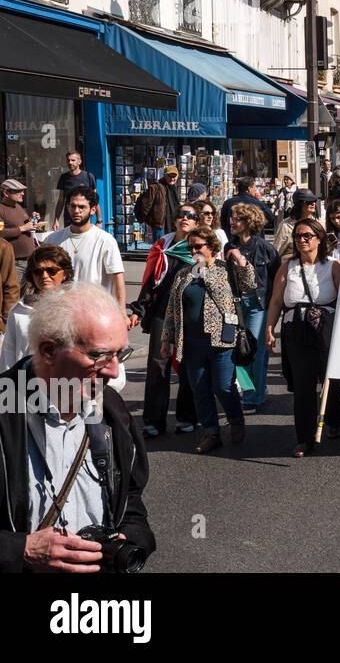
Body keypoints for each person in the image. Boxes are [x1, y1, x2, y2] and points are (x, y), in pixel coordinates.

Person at [0, 282, 155, 573]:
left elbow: (131, 499)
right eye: (99, 355)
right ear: (48, 351)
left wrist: (133, 538)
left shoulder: (113, 411)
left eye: (119, 354)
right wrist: (22, 550)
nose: (114, 371)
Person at [161, 225, 257, 454]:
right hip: (192, 342)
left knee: (223, 387)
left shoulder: (225, 270)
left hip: (222, 340)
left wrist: (239, 260)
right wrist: (167, 339)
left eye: (199, 247)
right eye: (191, 247)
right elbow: (173, 309)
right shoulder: (183, 274)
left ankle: (235, 419)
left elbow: (250, 285)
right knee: (200, 389)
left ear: (212, 247)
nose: (194, 251)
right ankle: (211, 432)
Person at [263, 218, 340, 456]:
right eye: (298, 236)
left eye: (307, 235)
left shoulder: (333, 266)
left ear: (319, 238)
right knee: (302, 387)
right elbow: (277, 300)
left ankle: (335, 418)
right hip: (296, 331)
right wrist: (269, 328)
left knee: (333, 382)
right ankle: (304, 438)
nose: (301, 240)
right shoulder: (287, 267)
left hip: (325, 331)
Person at [126, 205, 199, 437]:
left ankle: (187, 417)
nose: (184, 219)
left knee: (187, 364)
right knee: (158, 363)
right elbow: (150, 282)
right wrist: (139, 309)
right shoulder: (162, 246)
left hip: (189, 313)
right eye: (180, 215)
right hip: (162, 312)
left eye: (190, 216)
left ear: (196, 223)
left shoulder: (200, 247)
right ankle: (154, 421)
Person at [226, 203, 280, 412]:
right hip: (235, 304)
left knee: (256, 350)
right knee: (237, 350)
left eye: (237, 219)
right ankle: (251, 391)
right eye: (232, 218)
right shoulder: (229, 247)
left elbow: (277, 279)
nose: (232, 222)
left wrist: (275, 313)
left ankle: (255, 396)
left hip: (258, 304)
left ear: (249, 223)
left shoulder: (265, 248)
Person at [46, 188, 125, 311]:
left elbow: (117, 277)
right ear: (67, 207)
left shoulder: (106, 240)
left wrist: (122, 311)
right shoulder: (53, 239)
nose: (76, 211)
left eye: (82, 207)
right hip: (61, 311)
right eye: (73, 206)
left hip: (96, 311)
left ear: (92, 210)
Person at [1, 245, 72, 374]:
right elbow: (8, 355)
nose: (44, 276)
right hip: (25, 386)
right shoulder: (19, 311)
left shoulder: (79, 308)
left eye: (51, 271)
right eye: (38, 271)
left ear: (65, 274)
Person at [136, 166, 182, 241]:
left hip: (172, 224)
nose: (172, 179)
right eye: (170, 176)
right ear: (165, 175)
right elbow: (146, 205)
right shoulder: (155, 187)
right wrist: (146, 220)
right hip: (160, 225)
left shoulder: (174, 189)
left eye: (174, 176)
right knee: (160, 248)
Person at [0, 179, 39, 265]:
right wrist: (23, 228)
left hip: (30, 259)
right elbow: (1, 232)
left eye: (22, 191)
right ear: (6, 193)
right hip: (16, 262)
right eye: (18, 191)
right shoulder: (1, 209)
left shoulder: (18, 206)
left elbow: (24, 225)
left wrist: (32, 219)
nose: (23, 194)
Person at [53, 151, 97, 226]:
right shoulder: (64, 178)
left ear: (79, 162)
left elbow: (95, 199)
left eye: (73, 160)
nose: (70, 162)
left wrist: (99, 220)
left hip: (84, 217)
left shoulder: (88, 177)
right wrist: (56, 219)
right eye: (68, 160)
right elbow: (61, 201)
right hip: (69, 218)